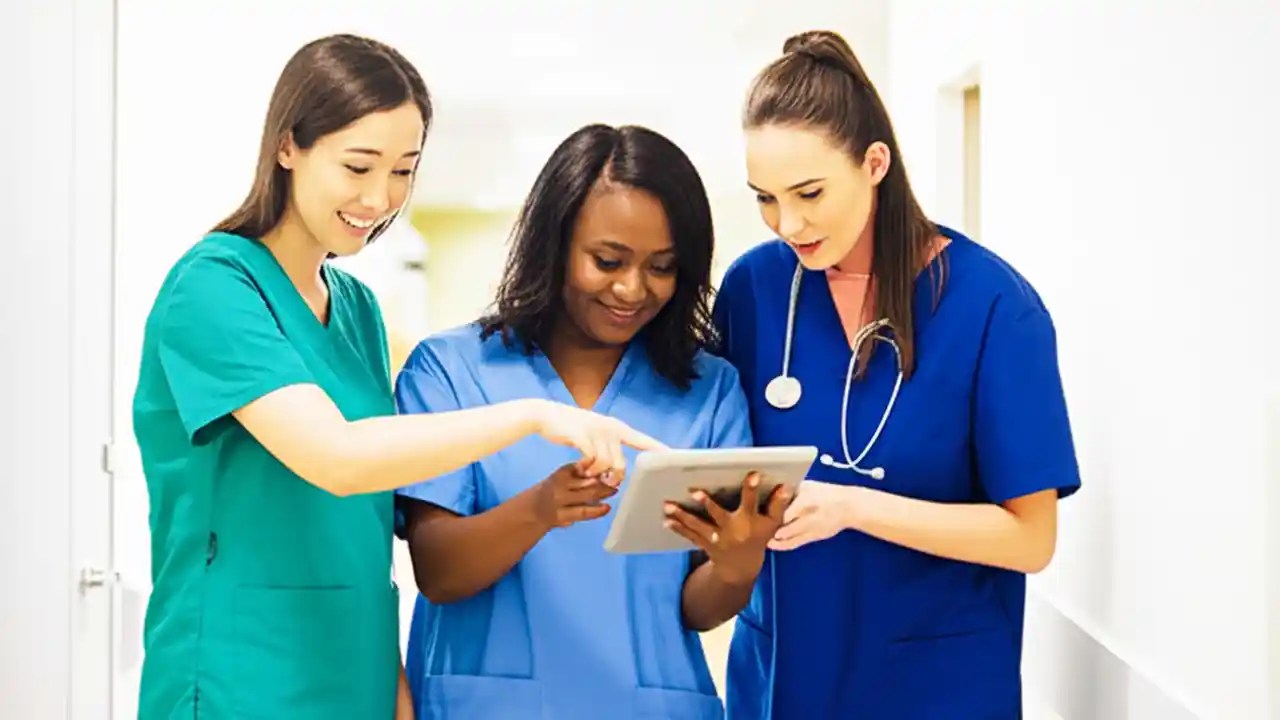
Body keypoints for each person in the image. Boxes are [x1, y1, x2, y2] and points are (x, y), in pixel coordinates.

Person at [131, 36, 659, 720]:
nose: (380, 198)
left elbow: (364, 515)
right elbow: (339, 460)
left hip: (352, 671)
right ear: (288, 147)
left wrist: (392, 680)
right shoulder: (213, 288)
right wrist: (533, 415)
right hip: (241, 672)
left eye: (403, 171)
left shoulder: (356, 310)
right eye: (358, 166)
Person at [713, 30, 1082, 719]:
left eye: (810, 192)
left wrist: (851, 506)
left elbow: (1031, 540)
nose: (787, 223)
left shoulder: (993, 307)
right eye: (765, 198)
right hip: (785, 675)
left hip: (937, 683)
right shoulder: (754, 291)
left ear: (874, 162)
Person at [394, 123, 789, 720]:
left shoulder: (708, 390)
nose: (632, 289)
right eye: (608, 260)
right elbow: (439, 572)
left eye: (662, 266)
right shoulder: (451, 372)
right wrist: (540, 509)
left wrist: (738, 564)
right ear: (554, 246)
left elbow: (695, 608)